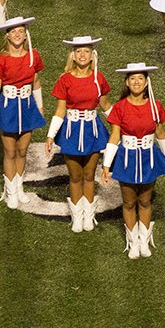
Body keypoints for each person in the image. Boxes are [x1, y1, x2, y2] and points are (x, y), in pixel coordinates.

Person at [101, 62, 165, 258]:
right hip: (127, 158)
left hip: (149, 156)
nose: (137, 82)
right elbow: (114, 137)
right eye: (133, 78)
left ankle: (144, 239)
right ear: (126, 82)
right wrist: (107, 164)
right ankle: (132, 241)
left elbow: (161, 133)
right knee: (129, 201)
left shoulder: (155, 106)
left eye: (140, 78)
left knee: (145, 200)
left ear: (147, 82)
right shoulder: (121, 107)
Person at [46, 35, 112, 233]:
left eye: (86, 51)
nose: (82, 55)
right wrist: (50, 135)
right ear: (72, 56)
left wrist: (123, 126)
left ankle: (88, 215)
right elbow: (60, 110)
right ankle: (77, 216)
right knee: (75, 176)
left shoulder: (98, 78)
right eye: (78, 51)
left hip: (93, 129)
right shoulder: (64, 79)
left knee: (89, 175)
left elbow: (106, 105)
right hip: (71, 130)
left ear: (92, 55)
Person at [0, 15, 45, 208]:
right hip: (8, 107)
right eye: (14, 32)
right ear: (8, 36)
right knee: (10, 151)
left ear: (26, 35)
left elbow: (36, 83)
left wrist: (40, 108)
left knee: (22, 150)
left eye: (21, 31)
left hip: (27, 107)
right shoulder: (1, 60)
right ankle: (10, 191)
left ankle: (19, 187)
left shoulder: (33, 56)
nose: (18, 35)